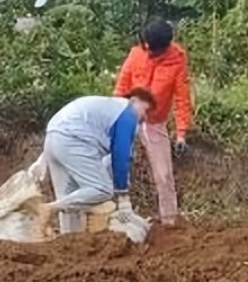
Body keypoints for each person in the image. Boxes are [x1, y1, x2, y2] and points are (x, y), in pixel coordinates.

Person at [113, 17, 192, 226]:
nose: (147, 52)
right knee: (108, 163)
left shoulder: (177, 62)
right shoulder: (136, 53)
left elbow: (182, 98)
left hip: (154, 122)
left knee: (164, 175)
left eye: (152, 50)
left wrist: (181, 132)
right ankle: (107, 215)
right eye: (144, 46)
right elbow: (121, 87)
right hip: (127, 116)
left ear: (163, 48)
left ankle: (169, 221)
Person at [41, 90, 156, 233]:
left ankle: (69, 243)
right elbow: (120, 155)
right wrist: (123, 196)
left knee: (71, 198)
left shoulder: (109, 110)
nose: (145, 117)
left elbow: (108, 162)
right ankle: (50, 208)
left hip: (53, 138)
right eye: (145, 110)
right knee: (102, 189)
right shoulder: (128, 113)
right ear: (133, 100)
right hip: (73, 140)